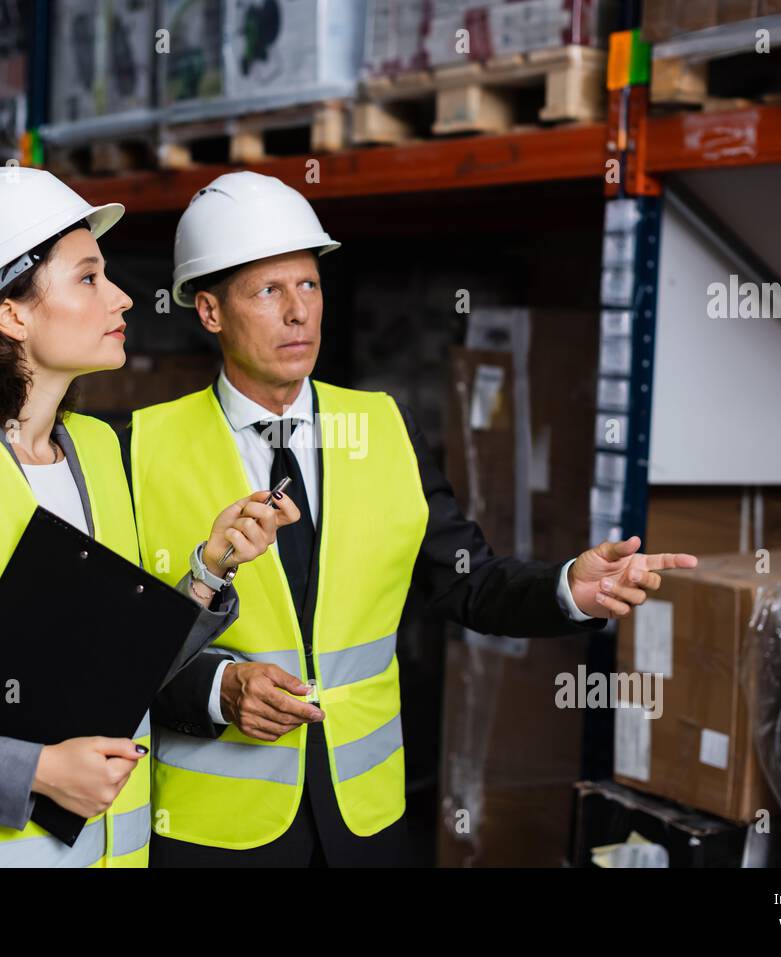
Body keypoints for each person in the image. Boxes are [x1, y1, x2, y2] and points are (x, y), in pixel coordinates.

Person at [124, 171, 699, 866]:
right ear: (211, 311)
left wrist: (565, 586)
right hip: (214, 834)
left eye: (309, 285)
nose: (299, 312)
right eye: (268, 291)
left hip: (363, 822)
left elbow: (466, 580)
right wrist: (218, 691)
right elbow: (118, 653)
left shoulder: (383, 425)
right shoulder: (140, 448)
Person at [0, 167, 298, 868]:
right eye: (88, 278)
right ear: (12, 314)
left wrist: (207, 570)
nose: (122, 296)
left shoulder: (98, 451)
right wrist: (35, 770)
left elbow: (113, 669)